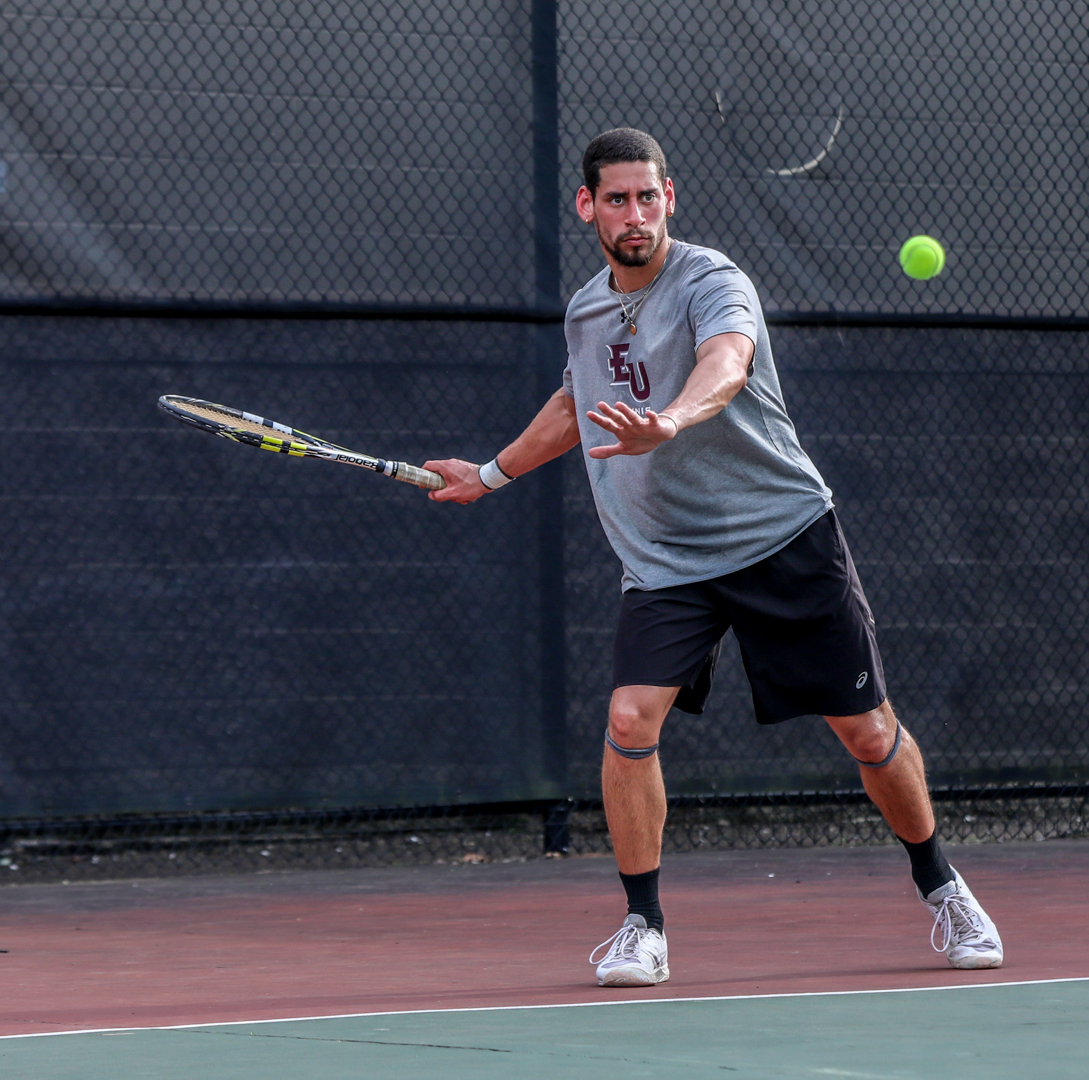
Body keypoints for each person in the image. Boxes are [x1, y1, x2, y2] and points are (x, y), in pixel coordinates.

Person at [423, 128, 1001, 987]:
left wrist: (669, 420)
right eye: (616, 199)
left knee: (867, 730)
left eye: (647, 197)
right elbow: (574, 402)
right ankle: (643, 926)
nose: (635, 215)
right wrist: (490, 474)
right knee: (629, 721)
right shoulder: (586, 310)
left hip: (782, 537)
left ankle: (944, 887)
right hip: (664, 561)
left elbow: (725, 364)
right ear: (587, 207)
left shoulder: (713, 280)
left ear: (669, 198)